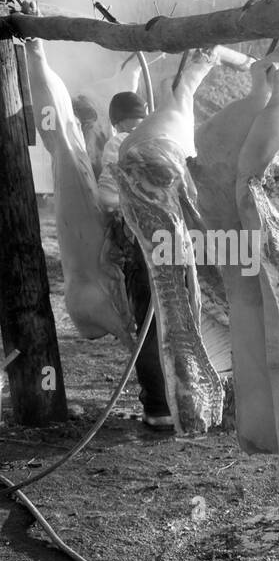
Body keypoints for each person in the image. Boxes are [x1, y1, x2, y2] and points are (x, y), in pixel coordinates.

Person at [98, 91, 172, 430]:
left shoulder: (119, 144)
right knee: (183, 322)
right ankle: (185, 398)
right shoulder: (164, 135)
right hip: (180, 244)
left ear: (115, 120)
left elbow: (107, 197)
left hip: (142, 246)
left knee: (149, 326)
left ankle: (159, 407)